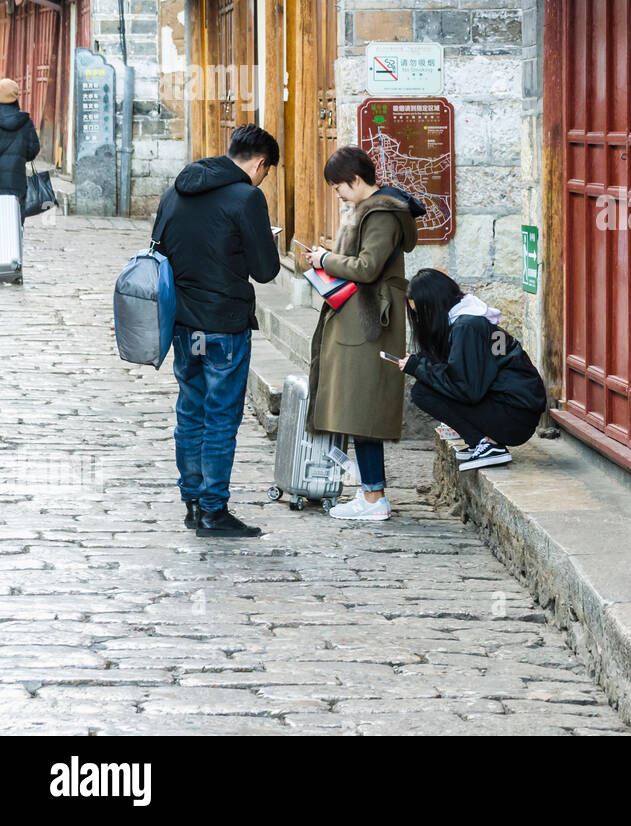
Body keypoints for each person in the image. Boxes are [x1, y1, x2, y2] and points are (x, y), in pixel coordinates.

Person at [154, 124, 281, 538]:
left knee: (190, 412)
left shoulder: (175, 192)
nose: (263, 179)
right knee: (221, 418)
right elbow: (264, 271)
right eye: (267, 171)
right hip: (224, 325)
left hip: (182, 324)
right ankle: (213, 510)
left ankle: (192, 502)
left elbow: (161, 250)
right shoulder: (247, 197)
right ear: (260, 163)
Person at [303, 147, 419, 522]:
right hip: (360, 318)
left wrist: (325, 260)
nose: (337, 193)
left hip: (371, 321)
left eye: (339, 185)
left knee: (363, 409)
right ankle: (369, 493)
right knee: (358, 409)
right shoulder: (371, 210)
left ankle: (374, 498)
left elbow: (368, 267)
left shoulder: (382, 213)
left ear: (356, 179)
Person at [400, 269, 547, 471]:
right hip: (514, 409)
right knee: (425, 385)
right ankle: (481, 442)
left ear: (434, 305)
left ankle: (487, 445)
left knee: (422, 392)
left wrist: (418, 368)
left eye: (422, 313)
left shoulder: (467, 326)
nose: (421, 320)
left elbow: (465, 388)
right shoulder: (467, 320)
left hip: (515, 415)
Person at [0, 78, 40, 283]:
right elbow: (33, 150)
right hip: (15, 184)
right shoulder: (24, 121)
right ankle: (13, 269)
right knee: (15, 226)